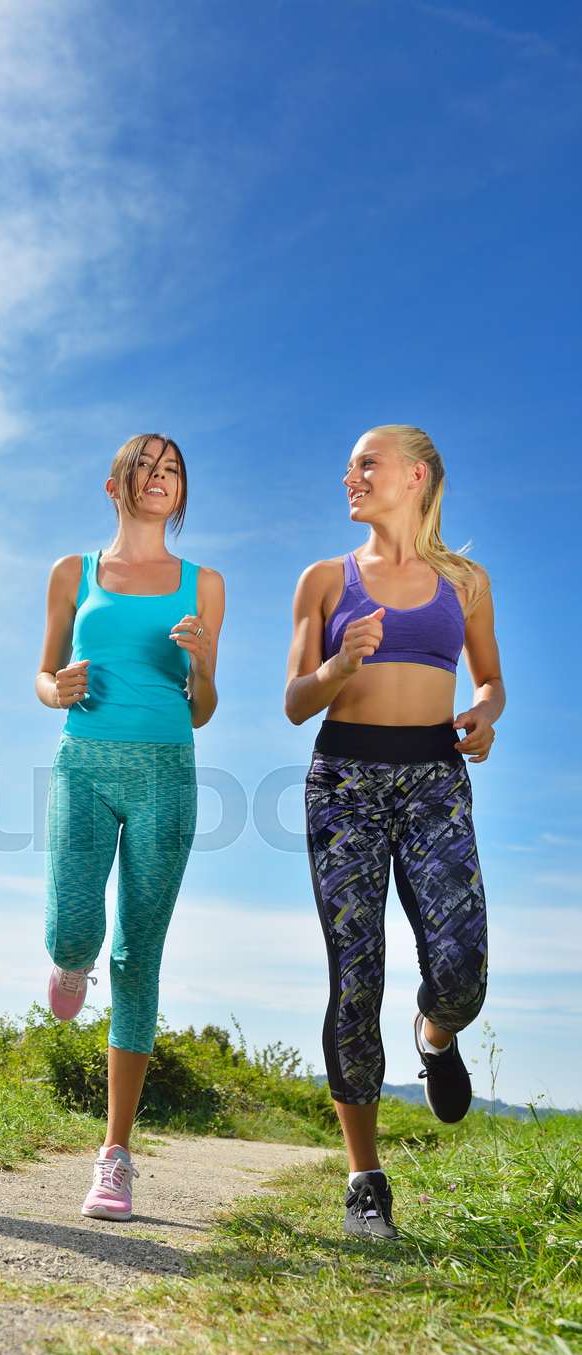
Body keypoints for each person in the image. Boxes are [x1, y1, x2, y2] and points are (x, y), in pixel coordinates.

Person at [285, 424, 504, 1239]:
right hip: (342, 777)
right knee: (356, 975)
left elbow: (490, 680)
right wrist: (339, 667)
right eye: (347, 465)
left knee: (462, 968)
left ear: (415, 476)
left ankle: (436, 1033)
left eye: (365, 464)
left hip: (433, 780)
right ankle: (364, 1178)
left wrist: (481, 716)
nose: (349, 476)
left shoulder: (466, 582)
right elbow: (294, 699)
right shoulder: (321, 580)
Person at [36, 434, 225, 1220]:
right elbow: (44, 674)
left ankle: (114, 1153)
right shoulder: (71, 573)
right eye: (145, 467)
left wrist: (201, 666)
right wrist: (57, 689)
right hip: (84, 762)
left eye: (171, 469)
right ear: (112, 484)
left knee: (137, 955)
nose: (159, 478)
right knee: (74, 932)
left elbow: (204, 709)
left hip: (166, 772)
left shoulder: (202, 583)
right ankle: (65, 960)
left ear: (181, 491)